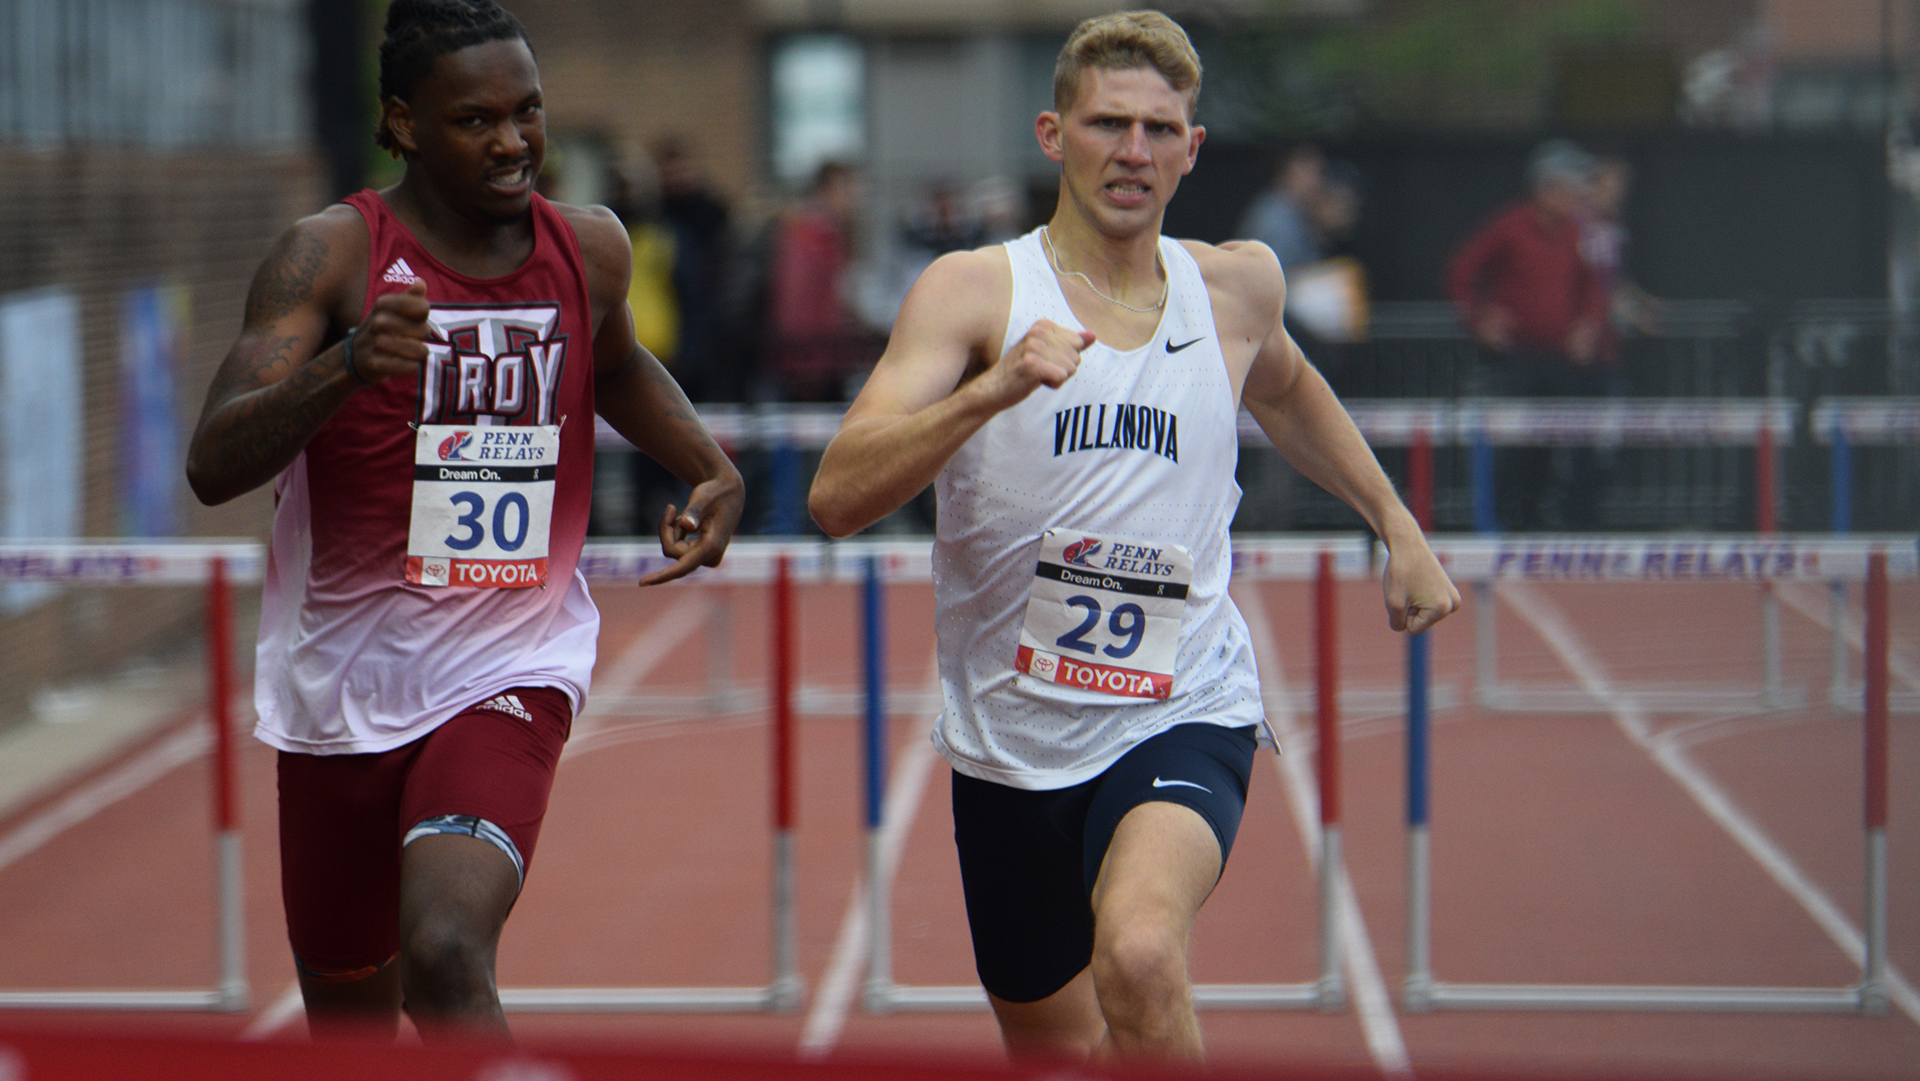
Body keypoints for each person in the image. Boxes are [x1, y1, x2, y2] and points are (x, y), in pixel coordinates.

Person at [807, 10, 1457, 1063]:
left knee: (1144, 957)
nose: (1135, 151)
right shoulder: (975, 292)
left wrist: (1396, 523)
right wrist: (994, 390)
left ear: (1192, 150)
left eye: (1161, 130)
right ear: (1053, 133)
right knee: (1067, 1051)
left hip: (1182, 706)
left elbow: (1290, 395)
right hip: (1011, 747)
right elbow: (837, 494)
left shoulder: (1236, 287)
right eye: (1110, 123)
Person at [183, 0, 743, 1041]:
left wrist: (709, 465)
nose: (513, 142)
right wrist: (345, 368)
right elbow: (213, 461)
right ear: (401, 124)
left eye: (527, 112)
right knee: (348, 1034)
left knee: (445, 954)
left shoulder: (589, 250)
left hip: (508, 664)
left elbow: (612, 360)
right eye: (475, 120)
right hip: (339, 689)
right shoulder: (331, 259)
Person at [1446, 138, 1611, 530]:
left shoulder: (1578, 232)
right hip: (1515, 358)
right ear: (1545, 188)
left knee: (1552, 447)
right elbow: (1461, 273)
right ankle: (1502, 523)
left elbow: (1596, 287)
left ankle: (1537, 522)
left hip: (1559, 359)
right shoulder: (1509, 225)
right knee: (1511, 446)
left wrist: (1589, 325)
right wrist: (1481, 319)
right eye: (1566, 188)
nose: (1572, 197)